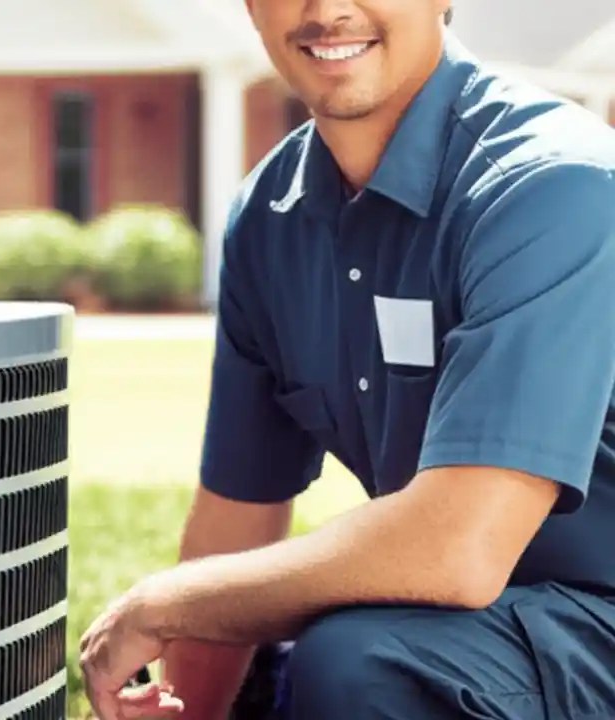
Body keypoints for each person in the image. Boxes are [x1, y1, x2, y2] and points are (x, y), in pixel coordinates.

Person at [78, 1, 615, 718]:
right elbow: (235, 518)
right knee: (266, 663)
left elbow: (460, 547)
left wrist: (166, 603)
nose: (327, 10)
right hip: (478, 637)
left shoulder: (552, 187)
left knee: (358, 664)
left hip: (595, 624)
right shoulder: (270, 219)